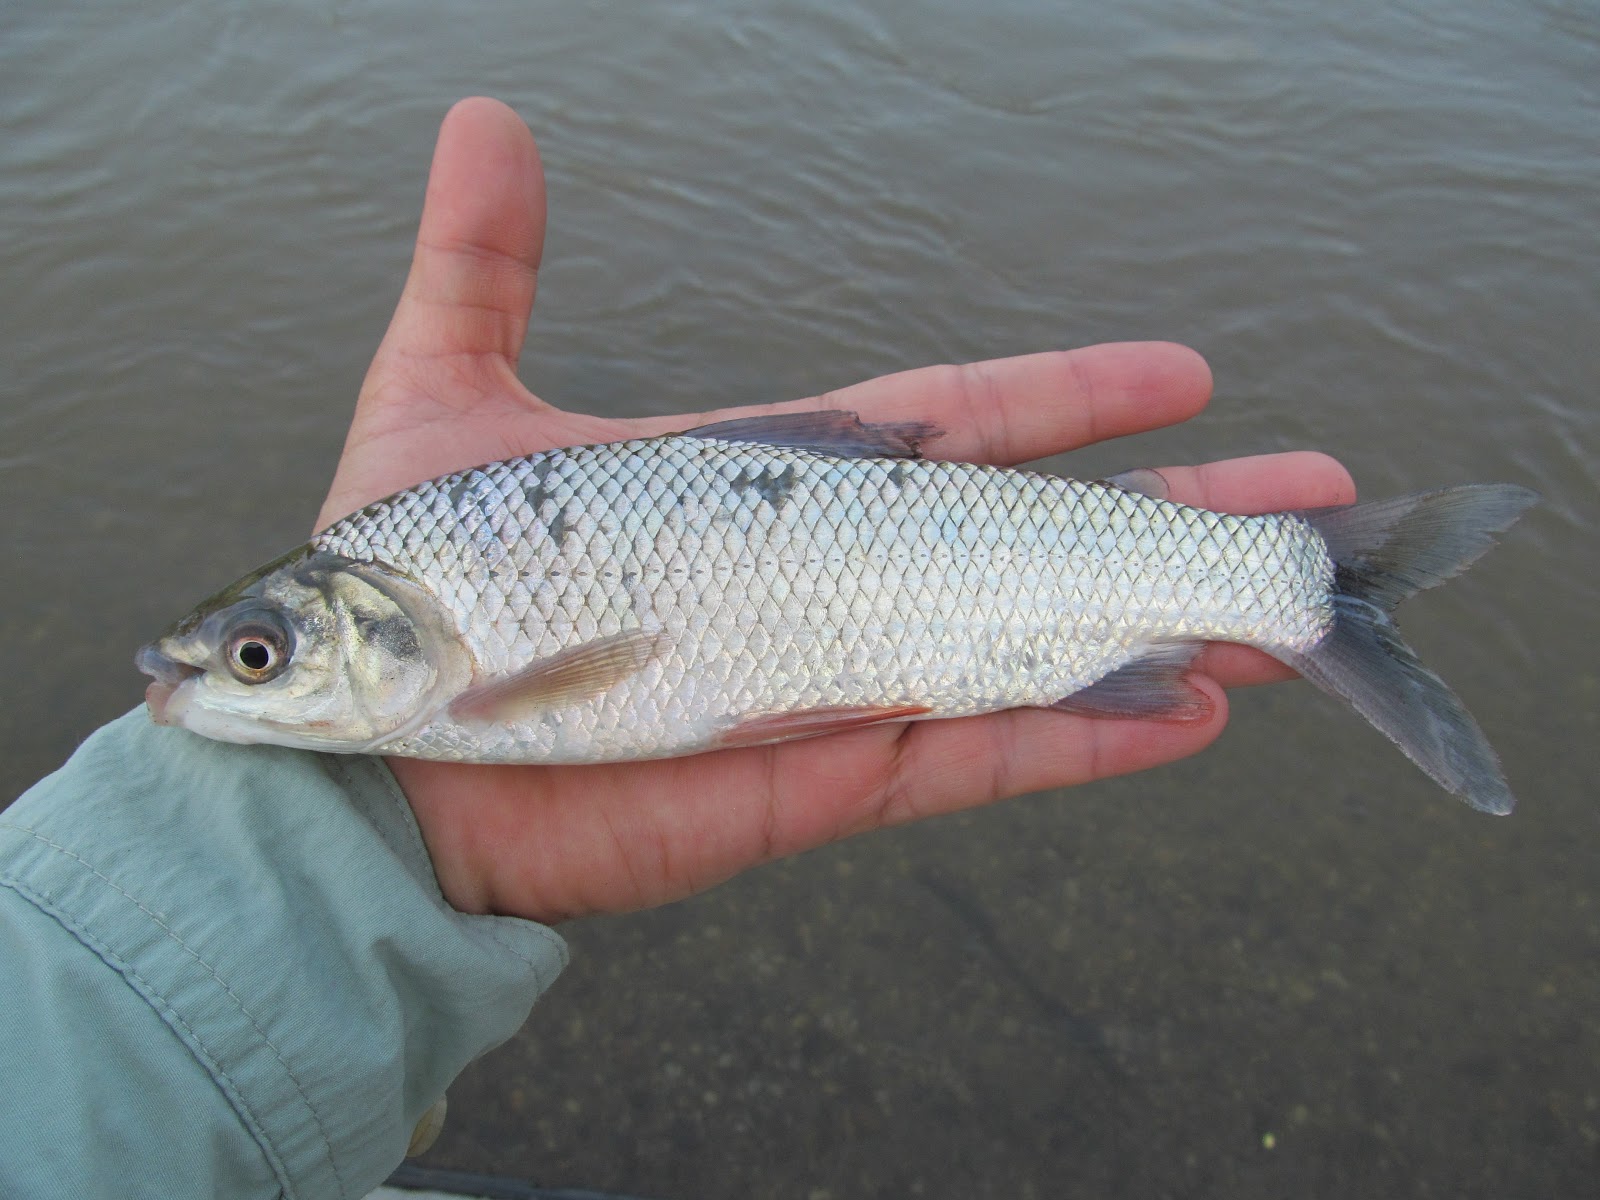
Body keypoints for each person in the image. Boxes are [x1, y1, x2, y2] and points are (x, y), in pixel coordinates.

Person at [0, 98, 1354, 1198]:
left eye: (252, 660)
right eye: (257, 659)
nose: (220, 681)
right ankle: (1299, 587)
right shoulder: (425, 629)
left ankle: (1311, 585)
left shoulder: (451, 656)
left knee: (1218, 595)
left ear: (373, 628)